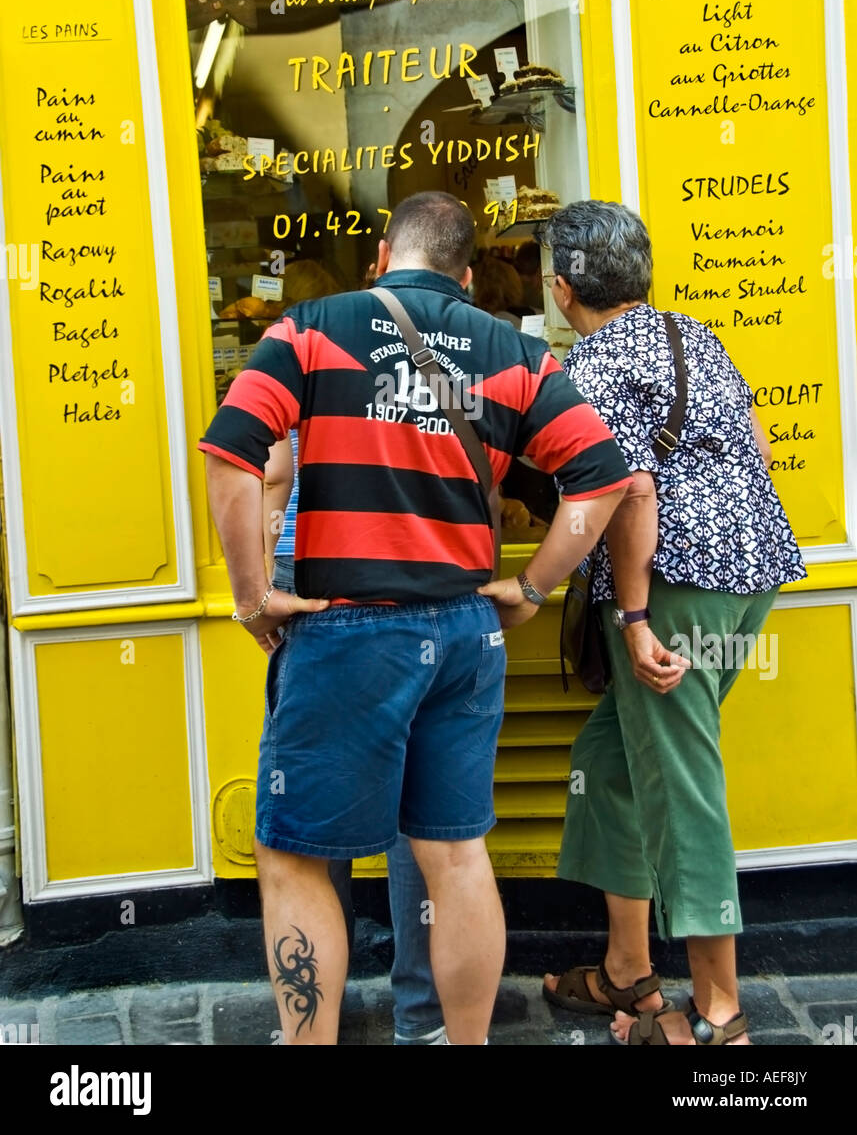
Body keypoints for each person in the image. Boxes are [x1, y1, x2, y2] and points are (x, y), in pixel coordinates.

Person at [200, 191, 634, 1046]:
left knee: (291, 860)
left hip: (344, 630)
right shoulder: (518, 352)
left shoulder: (309, 329)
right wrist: (536, 585)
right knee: (455, 853)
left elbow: (232, 454)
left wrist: (251, 595)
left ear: (380, 261)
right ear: (467, 275)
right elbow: (602, 478)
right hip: (463, 633)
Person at [535, 200, 806, 1046]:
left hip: (674, 591)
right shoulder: (694, 335)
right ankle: (627, 974)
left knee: (681, 780)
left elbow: (630, 491)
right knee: (608, 763)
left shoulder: (593, 363)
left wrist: (635, 615)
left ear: (559, 289)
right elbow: (759, 453)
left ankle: (719, 1011)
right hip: (747, 575)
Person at [263, 431, 445, 1045]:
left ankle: (319, 1016)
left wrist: (256, 590)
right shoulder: (452, 348)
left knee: (314, 805)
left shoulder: (300, 345)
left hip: (312, 570)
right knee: (419, 814)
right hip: (424, 570)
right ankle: (422, 1019)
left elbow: (266, 478)